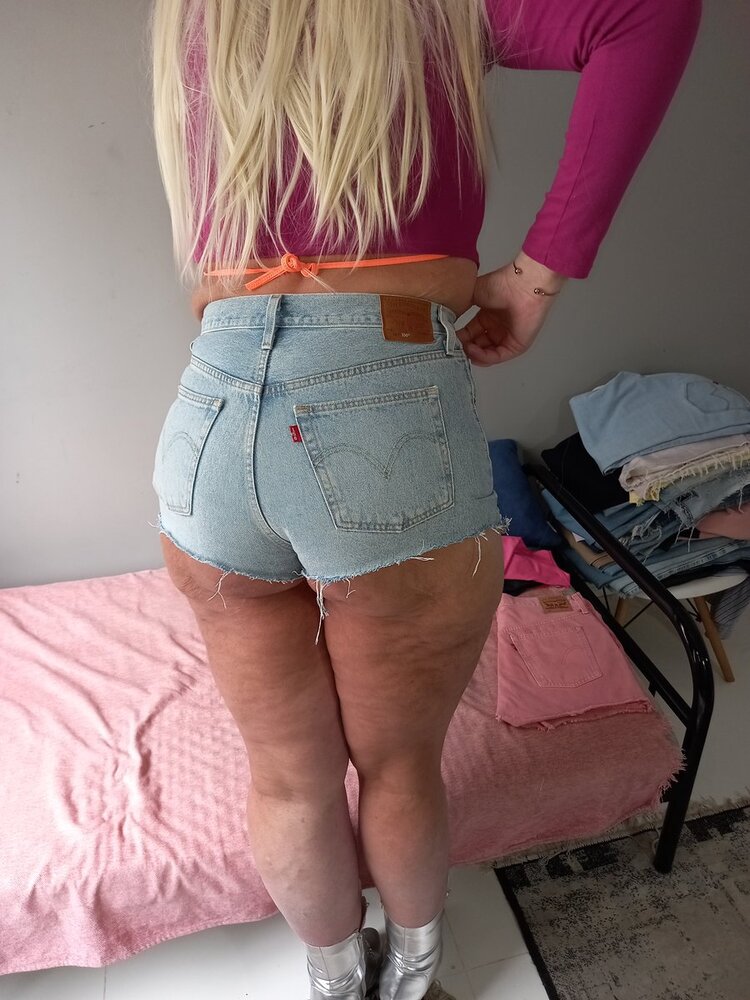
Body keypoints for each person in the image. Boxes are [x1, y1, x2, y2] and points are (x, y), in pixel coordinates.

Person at [147, 1, 702, 997]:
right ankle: (410, 981)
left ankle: (335, 981)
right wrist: (533, 276)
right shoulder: (425, 8)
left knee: (287, 776)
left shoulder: (200, 20)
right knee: (398, 765)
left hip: (209, 415)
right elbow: (646, 11)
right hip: (384, 386)